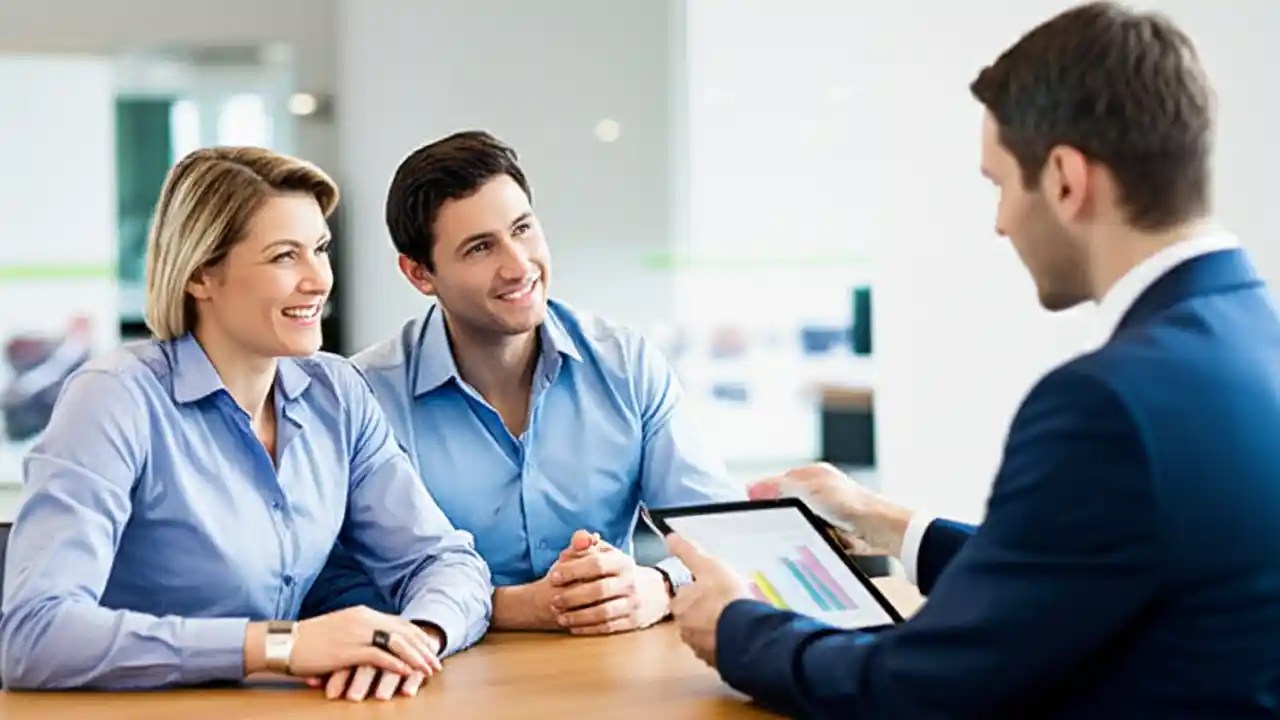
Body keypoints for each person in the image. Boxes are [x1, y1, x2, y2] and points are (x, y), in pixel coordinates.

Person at [663, 3, 1280, 717]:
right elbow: (1080, 570)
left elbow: (922, 688)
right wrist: (888, 522)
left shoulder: (1107, 402)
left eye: (998, 184)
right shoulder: (1251, 339)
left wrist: (739, 629)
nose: (999, 222)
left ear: (1064, 179)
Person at [0, 147, 493, 703]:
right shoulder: (115, 399)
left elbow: (444, 561)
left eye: (321, 250)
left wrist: (411, 640)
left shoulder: (337, 394)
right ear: (202, 274)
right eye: (285, 257)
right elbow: (33, 635)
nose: (317, 280)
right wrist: (279, 645)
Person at [303, 131, 743, 637]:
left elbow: (724, 535)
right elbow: (338, 587)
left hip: (615, 669)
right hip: (445, 682)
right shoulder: (366, 395)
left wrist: (657, 587)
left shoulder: (624, 362)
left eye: (523, 229)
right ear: (420, 274)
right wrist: (507, 606)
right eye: (480, 248)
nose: (519, 266)